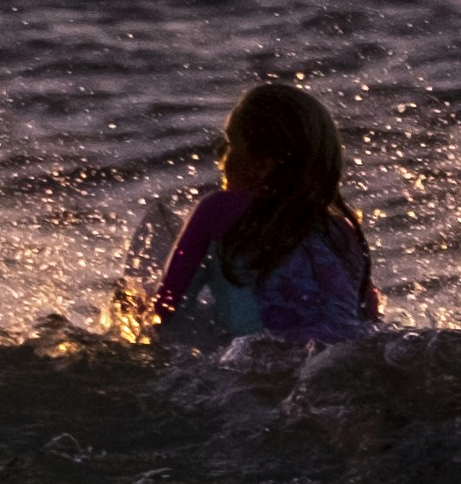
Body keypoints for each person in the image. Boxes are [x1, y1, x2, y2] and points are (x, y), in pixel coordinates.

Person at [126, 80, 383, 347]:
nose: (221, 156)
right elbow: (371, 320)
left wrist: (133, 309)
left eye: (230, 144)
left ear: (264, 164)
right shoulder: (342, 231)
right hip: (340, 359)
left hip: (260, 363)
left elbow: (165, 310)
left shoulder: (217, 210)